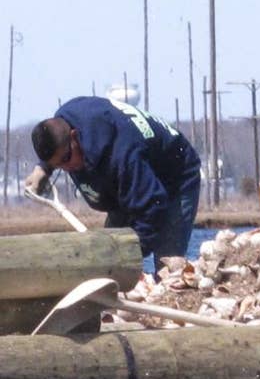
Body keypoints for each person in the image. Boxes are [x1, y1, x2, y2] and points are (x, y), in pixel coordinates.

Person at [26, 96, 201, 272]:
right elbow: (57, 142)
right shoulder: (63, 123)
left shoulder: (123, 156)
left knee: (166, 268)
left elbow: (152, 208)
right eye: (58, 165)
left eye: (66, 159)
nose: (66, 168)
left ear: (75, 136)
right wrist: (43, 169)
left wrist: (130, 254)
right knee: (107, 259)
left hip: (175, 178)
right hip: (129, 186)